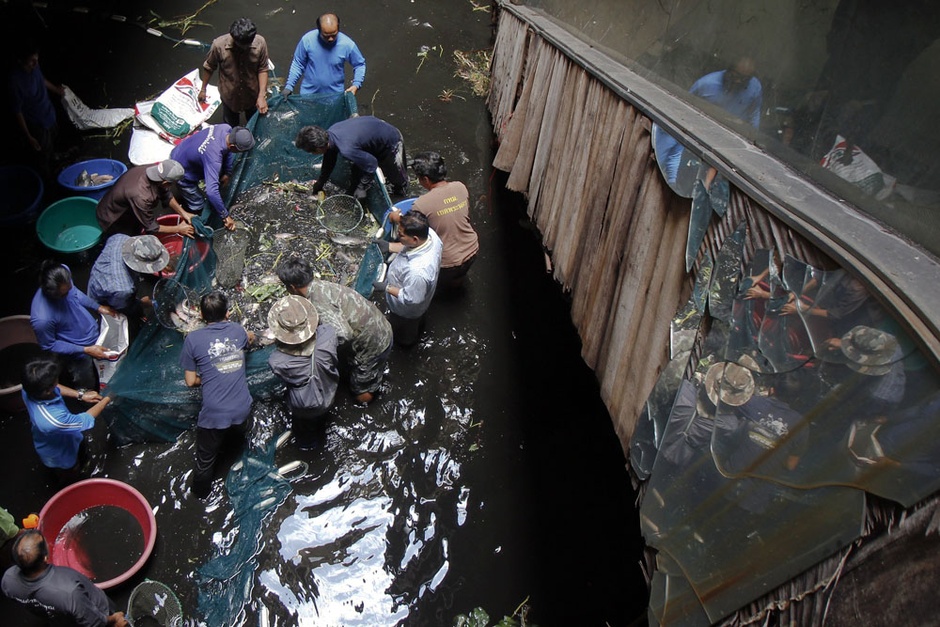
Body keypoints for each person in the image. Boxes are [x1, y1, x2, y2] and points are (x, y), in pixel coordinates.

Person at [277, 256, 393, 404]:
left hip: (374, 344)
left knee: (360, 392)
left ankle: (368, 398)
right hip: (377, 324)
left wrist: (317, 348)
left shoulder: (318, 302)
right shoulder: (319, 285)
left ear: (292, 287)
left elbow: (344, 335)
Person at [180, 291, 254, 498]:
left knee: (205, 461)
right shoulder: (238, 330)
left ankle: (200, 497)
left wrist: (210, 375)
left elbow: (190, 381)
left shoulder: (193, 339)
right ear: (228, 313)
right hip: (243, 407)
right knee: (236, 438)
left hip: (214, 415)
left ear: (202, 316)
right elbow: (249, 339)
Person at [655, 57, 762, 184]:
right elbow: (683, 110)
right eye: (736, 75)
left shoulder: (755, 88)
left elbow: (754, 117)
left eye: (744, 79)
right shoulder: (706, 84)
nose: (738, 81)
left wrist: (752, 140)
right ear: (728, 71)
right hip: (698, 132)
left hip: (729, 141)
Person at [386, 151, 479, 290]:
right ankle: (456, 286)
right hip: (472, 249)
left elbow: (413, 229)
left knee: (437, 285)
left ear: (425, 179)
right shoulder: (460, 187)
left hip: (446, 261)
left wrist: (396, 218)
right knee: (456, 280)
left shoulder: (422, 204)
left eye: (418, 178)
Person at [2, 530, 128, 626]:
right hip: (97, 611)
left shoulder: (8, 579)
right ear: (45, 558)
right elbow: (94, 622)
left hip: (59, 619)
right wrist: (113, 620)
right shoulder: (68, 591)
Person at [20, 352, 112, 484]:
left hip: (64, 436)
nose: (57, 382)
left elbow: (54, 387)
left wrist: (81, 395)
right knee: (70, 472)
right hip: (59, 453)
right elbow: (85, 420)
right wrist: (108, 398)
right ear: (47, 390)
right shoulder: (53, 420)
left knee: (80, 451)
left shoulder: (29, 388)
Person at [30, 261, 117, 392]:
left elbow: (75, 293)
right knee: (85, 380)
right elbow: (49, 345)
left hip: (91, 333)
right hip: (78, 352)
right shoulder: (42, 318)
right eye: (64, 295)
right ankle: (86, 396)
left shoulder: (63, 273)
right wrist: (86, 350)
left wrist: (97, 307)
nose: (68, 292)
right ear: (53, 295)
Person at [267, 295, 339, 449]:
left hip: (305, 406)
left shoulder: (277, 361)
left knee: (305, 432)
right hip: (329, 390)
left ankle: (308, 448)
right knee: (322, 417)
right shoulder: (328, 334)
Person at [295, 116, 408, 201]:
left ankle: (402, 193)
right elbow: (329, 161)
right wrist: (320, 182)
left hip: (391, 140)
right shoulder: (330, 133)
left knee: (396, 177)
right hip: (371, 135)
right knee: (357, 171)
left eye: (312, 152)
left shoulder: (346, 149)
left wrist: (362, 187)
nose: (312, 154)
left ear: (319, 148)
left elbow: (372, 163)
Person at [373, 212, 442, 347]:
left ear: (415, 239)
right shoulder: (430, 235)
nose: (398, 236)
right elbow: (409, 245)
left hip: (406, 312)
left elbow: (411, 299)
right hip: (420, 292)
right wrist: (390, 246)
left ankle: (405, 345)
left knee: (404, 333)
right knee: (419, 320)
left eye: (401, 235)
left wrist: (386, 287)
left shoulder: (418, 272)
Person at [170, 124, 255, 231]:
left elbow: (229, 151)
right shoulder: (214, 158)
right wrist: (225, 216)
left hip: (186, 149)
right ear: (233, 146)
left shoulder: (226, 128)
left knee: (212, 171)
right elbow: (211, 191)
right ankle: (197, 219)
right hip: (179, 166)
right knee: (196, 201)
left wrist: (227, 173)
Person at [198, 17, 270, 127]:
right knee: (229, 127)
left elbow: (263, 68)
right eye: (243, 45)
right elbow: (209, 67)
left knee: (255, 125)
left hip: (252, 95)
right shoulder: (219, 45)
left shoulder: (260, 43)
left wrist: (261, 96)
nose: (246, 47)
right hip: (229, 97)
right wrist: (203, 89)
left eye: (248, 44)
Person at [96, 159, 195, 238]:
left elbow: (166, 194)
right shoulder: (141, 196)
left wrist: (183, 213)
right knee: (128, 240)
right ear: (165, 183)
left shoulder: (154, 170)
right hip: (113, 217)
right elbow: (151, 227)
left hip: (127, 205)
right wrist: (178, 229)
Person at [9, 41, 64, 181]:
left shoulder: (34, 66)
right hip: (38, 123)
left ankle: (54, 161)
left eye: (36, 59)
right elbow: (17, 111)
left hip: (49, 113)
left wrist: (56, 90)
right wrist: (28, 136)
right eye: (31, 61)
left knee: (52, 142)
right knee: (42, 154)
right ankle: (48, 182)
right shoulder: (16, 81)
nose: (35, 63)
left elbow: (41, 79)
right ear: (21, 61)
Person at [87, 234, 169, 319]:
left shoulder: (120, 238)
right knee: (125, 311)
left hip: (98, 273)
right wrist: (141, 304)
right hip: (103, 295)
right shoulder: (123, 289)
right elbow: (120, 306)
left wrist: (159, 262)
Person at [282, 13, 366, 96]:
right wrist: (289, 86)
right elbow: (298, 64)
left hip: (334, 97)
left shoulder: (347, 44)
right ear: (319, 30)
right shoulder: (307, 40)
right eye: (326, 36)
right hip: (308, 96)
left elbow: (360, 65)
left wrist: (356, 84)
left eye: (334, 35)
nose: (330, 39)